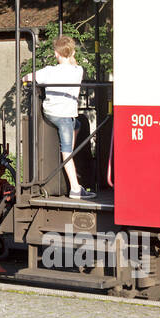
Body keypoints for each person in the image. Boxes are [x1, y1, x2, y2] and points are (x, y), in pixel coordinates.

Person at [23, 35, 94, 198]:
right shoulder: (78, 71)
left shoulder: (48, 71)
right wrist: (71, 54)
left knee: (77, 125)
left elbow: (25, 78)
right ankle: (75, 189)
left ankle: (69, 151)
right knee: (67, 150)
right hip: (65, 116)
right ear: (72, 53)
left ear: (56, 53)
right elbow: (73, 63)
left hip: (50, 113)